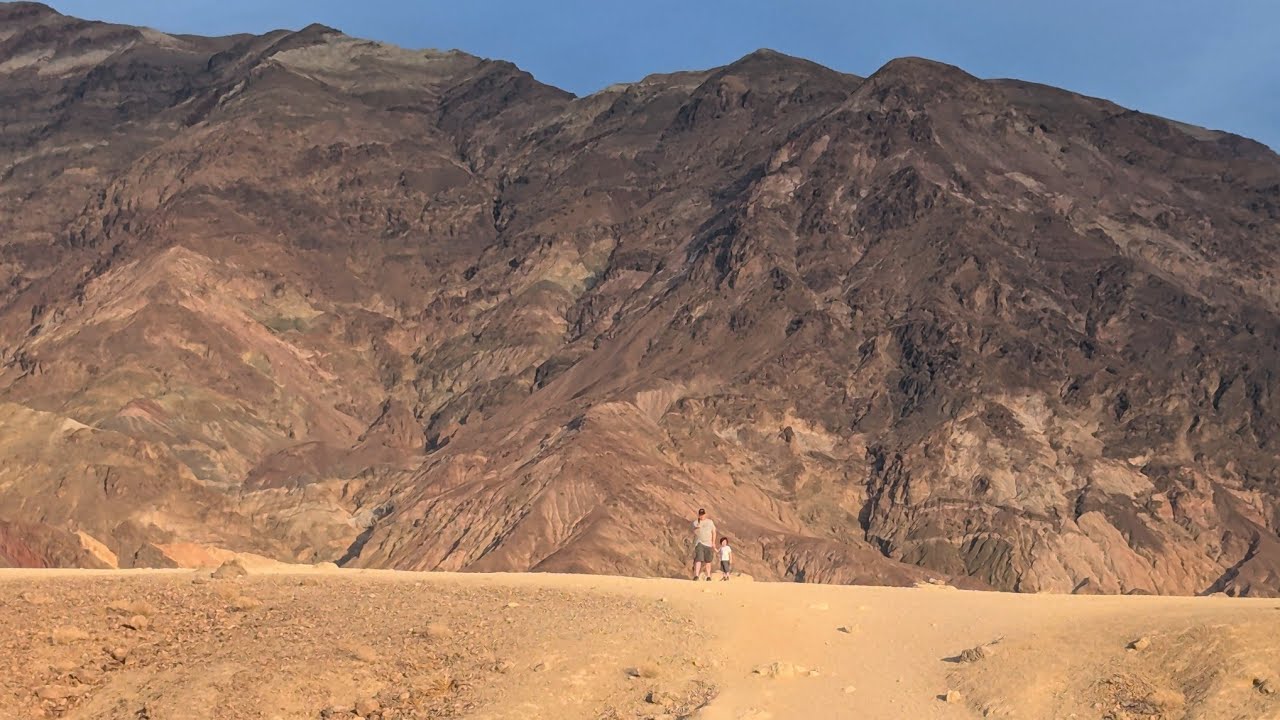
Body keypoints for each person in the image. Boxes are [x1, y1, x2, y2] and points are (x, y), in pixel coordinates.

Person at [691, 508, 717, 581]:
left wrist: (713, 542)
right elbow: (693, 531)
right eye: (700, 515)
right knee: (698, 559)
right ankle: (696, 575)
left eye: (703, 514)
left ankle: (708, 576)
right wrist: (697, 528)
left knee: (708, 560)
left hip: (708, 543)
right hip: (699, 542)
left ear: (705, 514)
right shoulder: (695, 522)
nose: (701, 516)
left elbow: (714, 532)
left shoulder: (710, 522)